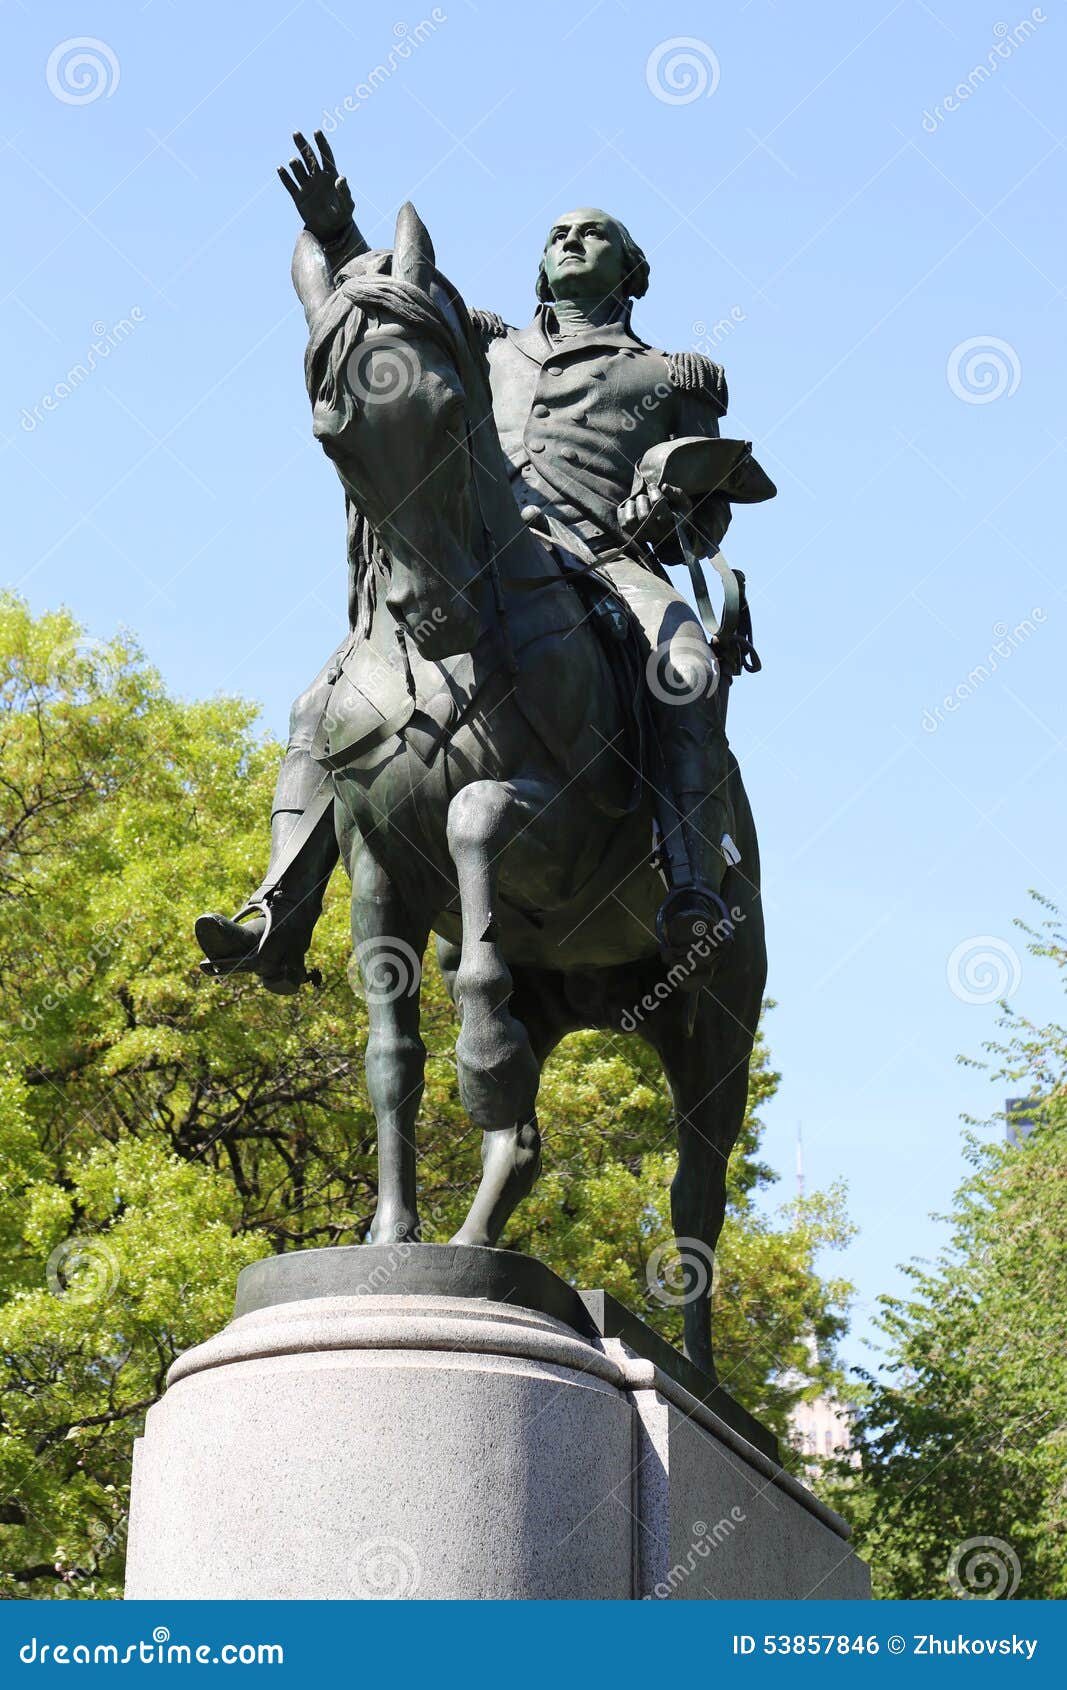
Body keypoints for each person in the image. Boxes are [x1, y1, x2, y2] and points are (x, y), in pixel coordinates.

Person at [196, 134, 743, 992]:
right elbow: (390, 298)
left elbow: (706, 512)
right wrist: (339, 238)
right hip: (484, 548)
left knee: (685, 668)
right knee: (319, 702)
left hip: (606, 557)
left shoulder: (673, 376)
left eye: (592, 234)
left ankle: (688, 881)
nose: (568, 241)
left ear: (632, 270)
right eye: (556, 233)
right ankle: (278, 909)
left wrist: (666, 506)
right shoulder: (485, 342)